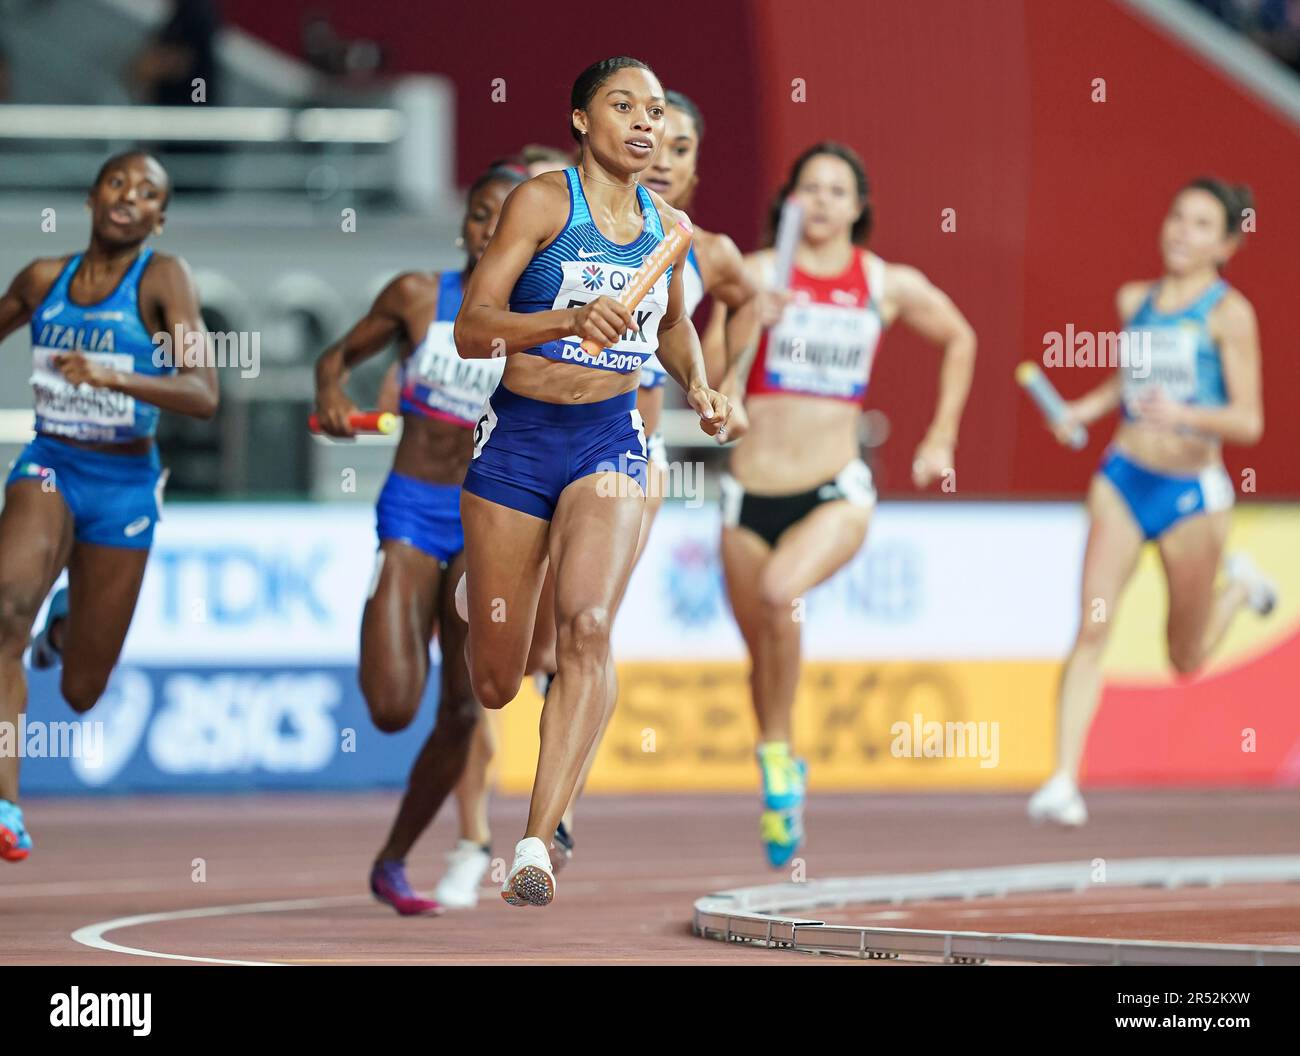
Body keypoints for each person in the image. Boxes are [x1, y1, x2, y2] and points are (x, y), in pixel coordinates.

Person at [453, 56, 730, 906]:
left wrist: (700, 386)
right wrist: (567, 319)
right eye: (624, 106)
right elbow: (471, 328)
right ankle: (483, 598)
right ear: (581, 118)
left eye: (654, 112)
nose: (644, 125)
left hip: (609, 440)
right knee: (498, 681)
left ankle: (536, 840)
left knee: (587, 625)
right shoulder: (541, 201)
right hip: (517, 445)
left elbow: (674, 327)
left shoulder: (670, 228)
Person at [718, 142, 977, 866]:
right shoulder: (756, 272)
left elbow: (960, 335)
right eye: (811, 188)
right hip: (746, 494)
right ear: (791, 202)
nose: (825, 201)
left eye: (839, 190)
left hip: (834, 488)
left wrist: (941, 438)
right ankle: (781, 767)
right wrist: (749, 323)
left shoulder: (884, 283)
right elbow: (712, 382)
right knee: (762, 654)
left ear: (859, 207)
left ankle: (776, 757)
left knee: (780, 595)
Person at [1027, 178, 1274, 827]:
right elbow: (1127, 378)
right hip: (1122, 477)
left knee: (1184, 657)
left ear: (1226, 243)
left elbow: (1250, 421)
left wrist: (1187, 412)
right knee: (1093, 624)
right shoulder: (1134, 299)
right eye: (1176, 217)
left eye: (1200, 225)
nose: (1180, 232)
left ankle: (1240, 591)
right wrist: (1084, 406)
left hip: (1192, 495)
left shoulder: (1229, 314)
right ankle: (1062, 778)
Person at [314, 162, 523, 912]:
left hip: (489, 519)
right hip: (411, 508)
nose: (491, 231)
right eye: (479, 216)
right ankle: (387, 618)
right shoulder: (416, 296)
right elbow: (332, 358)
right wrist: (332, 396)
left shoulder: (540, 326)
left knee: (463, 711)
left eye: (509, 219)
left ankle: (393, 859)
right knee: (393, 707)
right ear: (464, 227)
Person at [0, 152, 218, 861]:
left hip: (123, 486)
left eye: (147, 192)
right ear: (94, 195)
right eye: (118, 182)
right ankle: (6, 804)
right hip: (51, 462)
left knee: (84, 689)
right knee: (4, 609)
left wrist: (113, 374)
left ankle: (63, 627)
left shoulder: (162, 278)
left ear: (160, 216)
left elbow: (203, 393)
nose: (129, 196)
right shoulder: (42, 279)